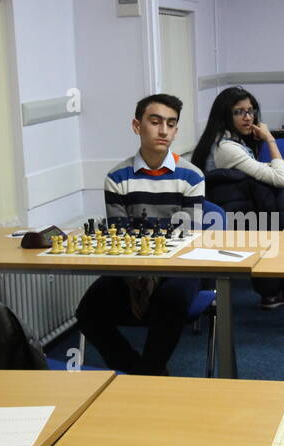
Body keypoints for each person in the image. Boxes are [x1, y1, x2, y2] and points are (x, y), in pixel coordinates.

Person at [74, 94, 203, 374]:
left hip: (179, 266)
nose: (163, 131)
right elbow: (122, 237)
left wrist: (152, 277)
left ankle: (148, 375)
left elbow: (187, 237)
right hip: (132, 265)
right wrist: (139, 278)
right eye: (155, 122)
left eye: (170, 124)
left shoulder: (191, 176)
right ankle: (141, 372)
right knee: (87, 312)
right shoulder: (118, 177)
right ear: (137, 126)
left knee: (170, 301)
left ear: (176, 130)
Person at [191, 87, 284, 309]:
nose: (248, 117)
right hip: (242, 219)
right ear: (225, 115)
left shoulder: (227, 142)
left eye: (250, 111)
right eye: (239, 112)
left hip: (246, 213)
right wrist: (270, 139)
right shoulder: (226, 148)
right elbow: (282, 179)